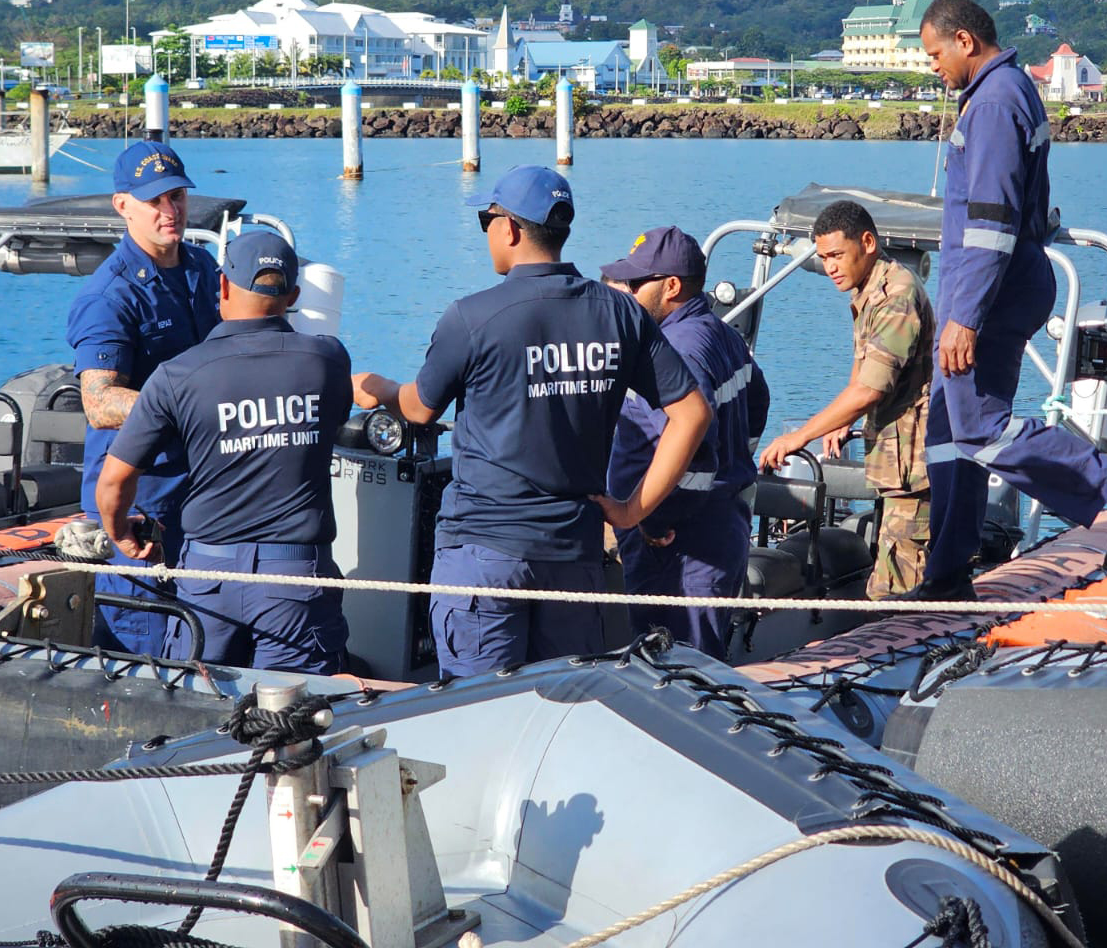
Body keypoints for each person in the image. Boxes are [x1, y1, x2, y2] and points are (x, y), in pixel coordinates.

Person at [352, 165, 712, 678]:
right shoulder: (619, 313)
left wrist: (377, 388)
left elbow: (418, 408)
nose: (487, 232)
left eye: (487, 219)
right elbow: (692, 413)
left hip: (485, 553)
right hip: (573, 559)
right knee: (560, 714)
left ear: (511, 229)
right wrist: (632, 511)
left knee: (477, 713)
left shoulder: (472, 317)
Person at [911, 0, 1107, 600]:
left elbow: (989, 224)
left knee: (979, 429)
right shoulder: (1006, 92)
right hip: (1000, 283)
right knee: (949, 433)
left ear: (964, 41)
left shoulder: (992, 105)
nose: (931, 66)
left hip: (989, 291)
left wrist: (964, 318)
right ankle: (949, 573)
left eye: (934, 53)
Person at [95, 232, 353, 672]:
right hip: (294, 579)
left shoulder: (177, 375)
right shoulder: (328, 359)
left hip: (209, 578)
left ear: (224, 288)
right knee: (292, 717)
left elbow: (115, 481)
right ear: (293, 295)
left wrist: (120, 533)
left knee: (198, 709)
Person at [67, 141, 220, 655]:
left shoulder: (203, 268)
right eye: (154, 200)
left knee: (207, 638)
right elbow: (99, 402)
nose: (169, 211)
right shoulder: (108, 295)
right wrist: (189, 407)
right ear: (122, 205)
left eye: (176, 197)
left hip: (201, 493)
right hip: (137, 504)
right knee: (146, 646)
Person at [601, 226, 770, 658]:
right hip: (719, 528)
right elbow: (757, 403)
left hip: (677, 546)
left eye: (638, 284)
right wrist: (735, 465)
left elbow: (692, 449)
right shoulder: (721, 334)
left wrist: (652, 518)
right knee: (698, 664)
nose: (629, 293)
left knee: (675, 674)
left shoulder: (676, 350)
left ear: (671, 286)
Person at [758, 201, 934, 597]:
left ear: (867, 242)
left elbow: (871, 388)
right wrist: (842, 421)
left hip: (914, 466)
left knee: (895, 591)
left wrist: (798, 436)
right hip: (895, 463)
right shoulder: (869, 291)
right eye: (823, 259)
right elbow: (864, 364)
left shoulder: (895, 297)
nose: (830, 267)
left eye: (837, 255)